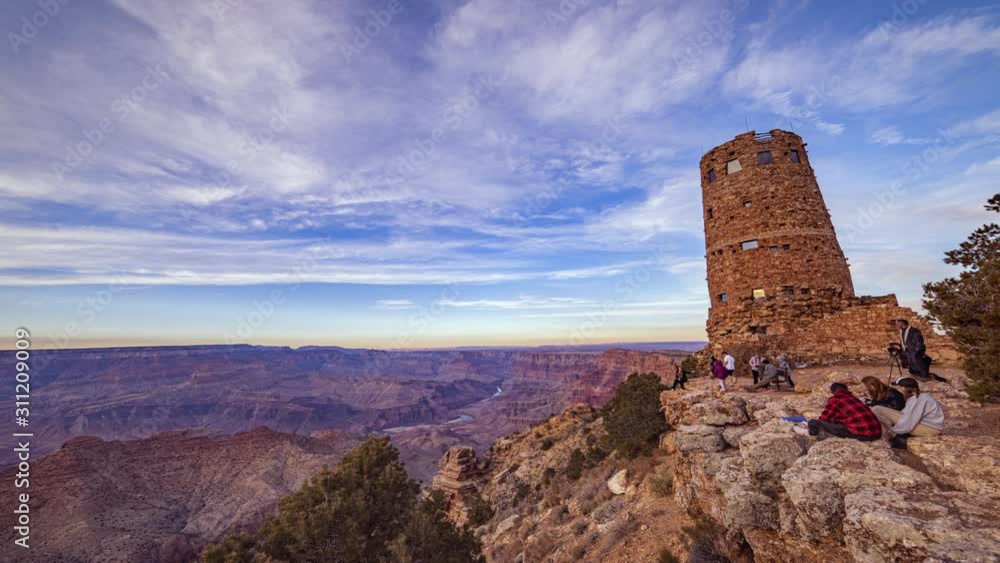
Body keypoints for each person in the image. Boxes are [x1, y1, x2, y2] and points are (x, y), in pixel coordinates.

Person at [871, 377, 945, 449]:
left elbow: (910, 420)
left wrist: (893, 431)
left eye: (900, 387)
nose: (900, 389)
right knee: (877, 409)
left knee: (877, 409)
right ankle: (892, 434)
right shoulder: (915, 397)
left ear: (905, 388)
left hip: (930, 429)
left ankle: (892, 436)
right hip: (926, 426)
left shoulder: (921, 399)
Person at [793, 383, 881, 441]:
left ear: (833, 392)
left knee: (813, 423)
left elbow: (824, 419)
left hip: (862, 435)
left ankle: (809, 433)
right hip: (877, 433)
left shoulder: (836, 399)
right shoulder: (854, 399)